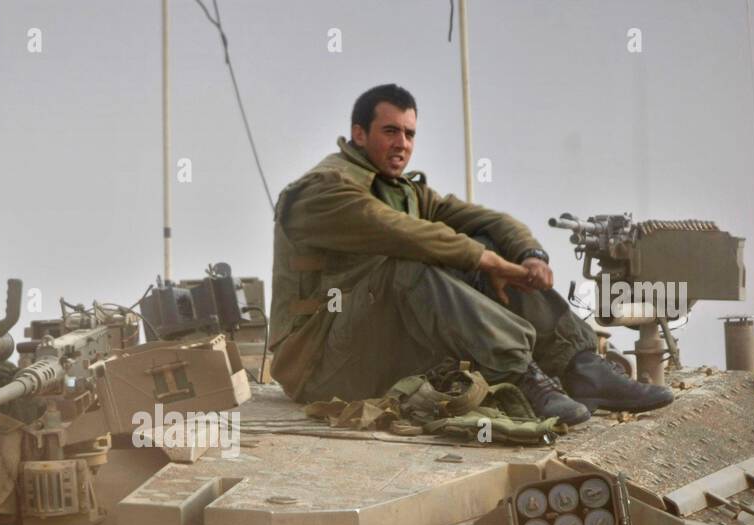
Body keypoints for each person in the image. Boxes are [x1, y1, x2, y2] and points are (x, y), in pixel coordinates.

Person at [268, 83, 673, 425]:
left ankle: (581, 367)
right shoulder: (322, 191)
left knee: (485, 247)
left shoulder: (404, 190)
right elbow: (400, 233)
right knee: (411, 265)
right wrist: (485, 262)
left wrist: (527, 255)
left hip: (371, 348)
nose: (402, 144)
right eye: (390, 131)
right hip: (319, 364)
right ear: (359, 134)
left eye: (409, 134)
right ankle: (521, 373)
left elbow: (484, 219)